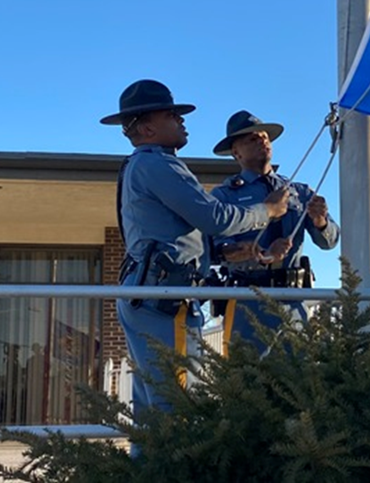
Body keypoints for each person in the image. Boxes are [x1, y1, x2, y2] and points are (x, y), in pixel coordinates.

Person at [100, 81, 289, 421]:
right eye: (172, 114)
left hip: (152, 291)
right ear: (147, 127)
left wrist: (221, 255)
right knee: (178, 406)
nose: (182, 120)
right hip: (164, 296)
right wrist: (267, 211)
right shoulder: (158, 165)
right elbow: (213, 217)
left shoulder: (142, 165)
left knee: (154, 408)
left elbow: (174, 234)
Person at [210, 110, 340, 355]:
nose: (262, 141)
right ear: (236, 152)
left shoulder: (299, 192)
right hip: (247, 302)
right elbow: (219, 249)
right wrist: (262, 254)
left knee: (297, 380)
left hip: (293, 300)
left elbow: (329, 242)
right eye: (252, 139)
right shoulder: (225, 195)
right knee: (248, 377)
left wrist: (321, 220)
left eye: (265, 137)